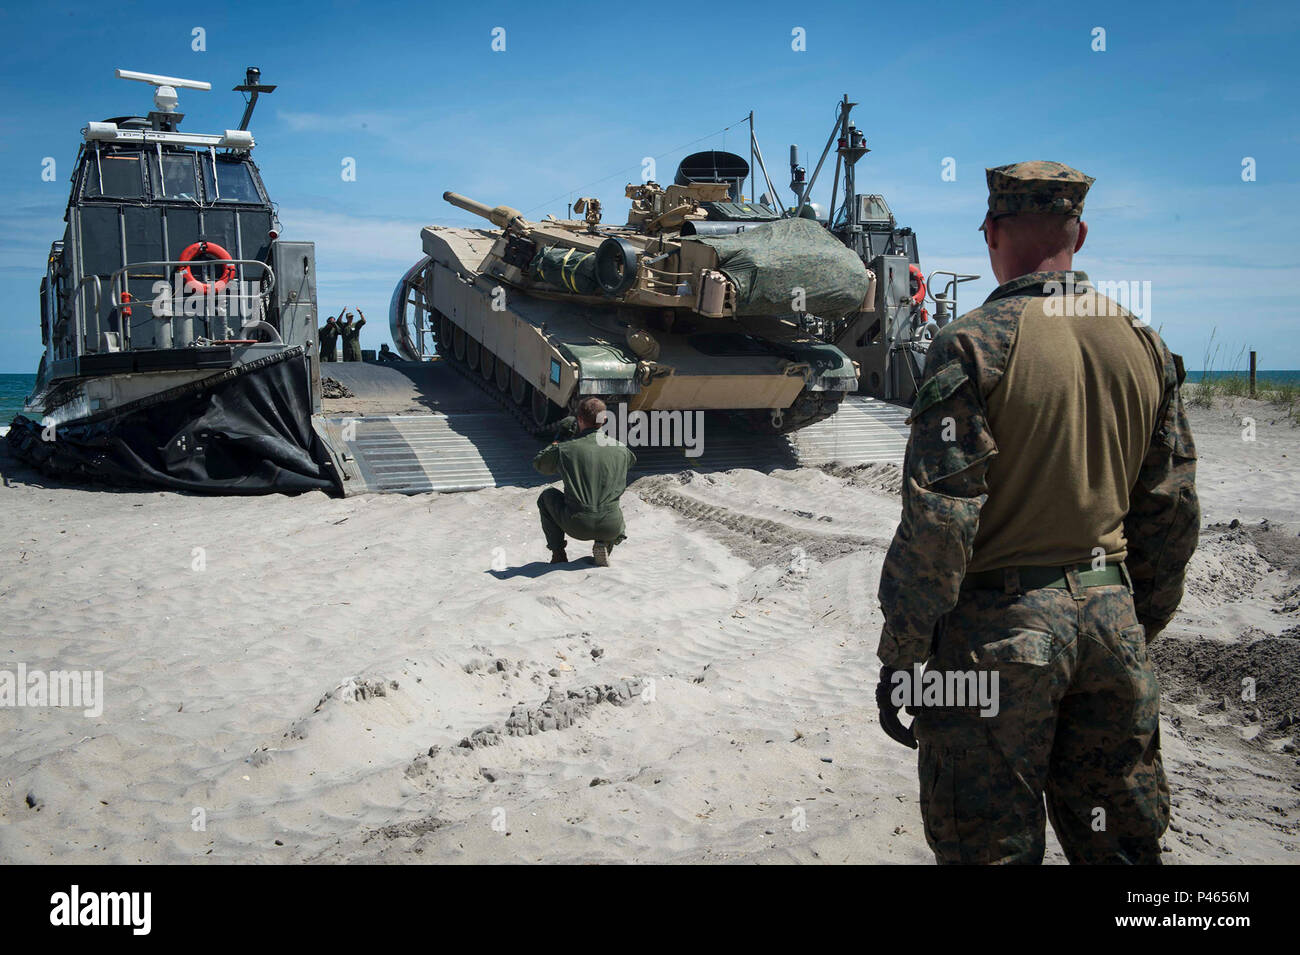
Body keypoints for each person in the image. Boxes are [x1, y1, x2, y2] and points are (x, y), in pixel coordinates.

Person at [874, 161, 1199, 865]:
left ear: (992, 234)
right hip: (1114, 627)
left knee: (989, 849)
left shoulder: (971, 343)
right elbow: (1169, 514)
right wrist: (1132, 620)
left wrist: (901, 651)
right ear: (1079, 233)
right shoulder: (1142, 343)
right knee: (1122, 851)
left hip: (999, 641)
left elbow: (940, 522)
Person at [532, 397, 635, 566]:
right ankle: (604, 544)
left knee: (547, 496)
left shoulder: (566, 448)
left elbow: (540, 465)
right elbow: (630, 462)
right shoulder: (621, 449)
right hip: (611, 525)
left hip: (576, 524)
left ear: (579, 419)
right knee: (611, 502)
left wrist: (560, 439)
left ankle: (558, 553)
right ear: (605, 420)